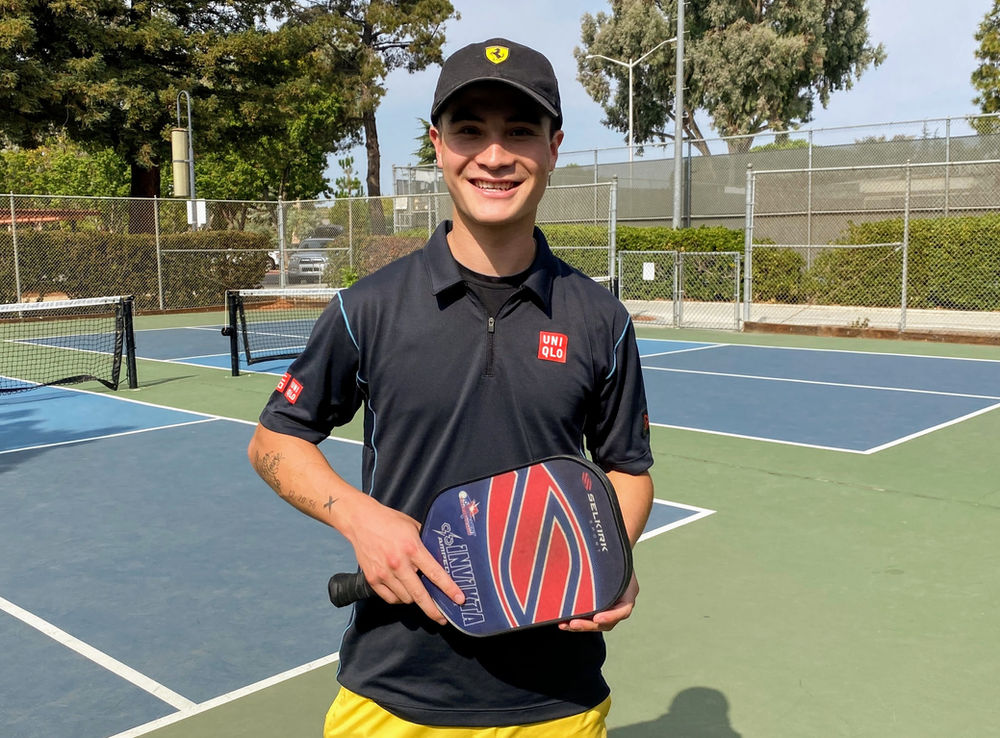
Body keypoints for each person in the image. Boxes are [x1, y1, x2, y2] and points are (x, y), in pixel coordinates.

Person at [248, 37, 654, 738]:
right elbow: (274, 441)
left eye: (520, 131)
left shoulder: (600, 318)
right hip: (393, 693)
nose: (494, 156)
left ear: (554, 146)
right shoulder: (368, 307)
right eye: (470, 131)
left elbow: (626, 469)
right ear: (438, 146)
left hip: (557, 700)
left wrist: (607, 558)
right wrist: (359, 518)